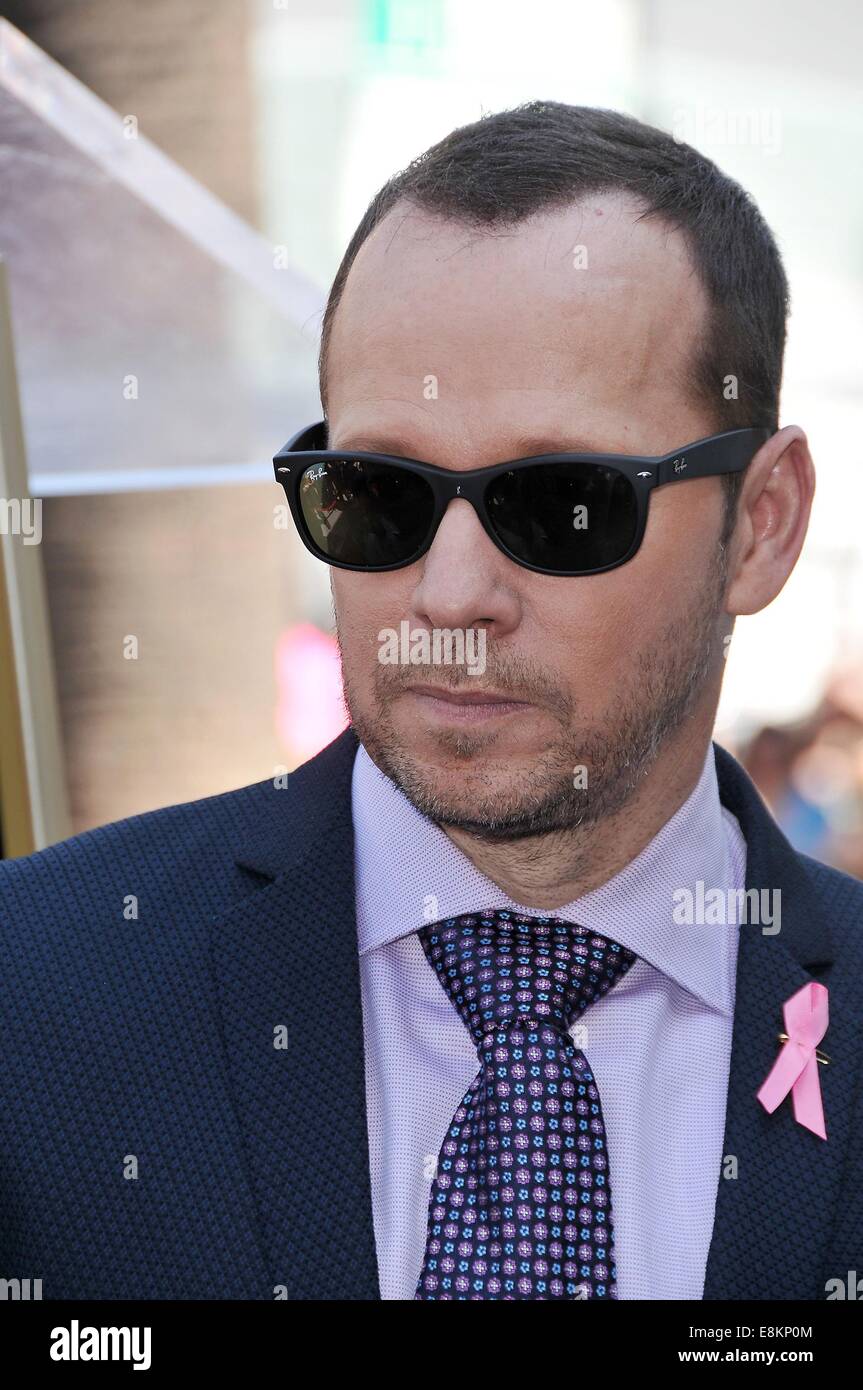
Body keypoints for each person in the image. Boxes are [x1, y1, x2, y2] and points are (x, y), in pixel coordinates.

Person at [1, 102, 861, 1302]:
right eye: (375, 493)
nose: (448, 594)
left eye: (560, 503)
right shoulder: (32, 988)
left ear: (759, 525)